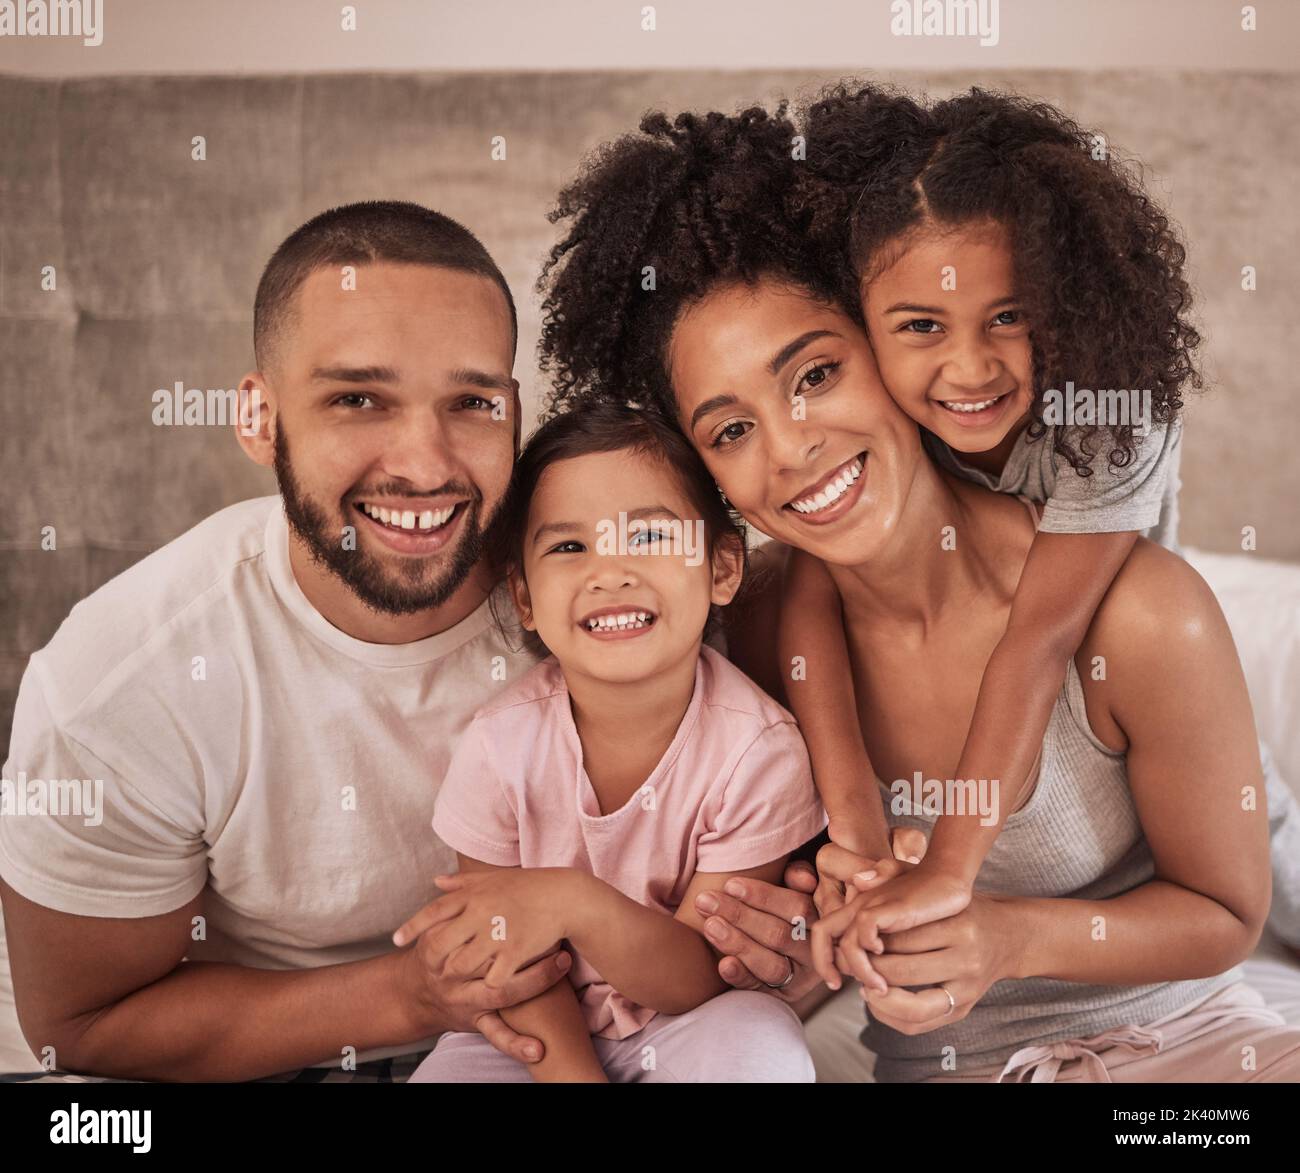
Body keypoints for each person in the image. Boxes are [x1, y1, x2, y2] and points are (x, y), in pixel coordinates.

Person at [534, 98, 1300, 1081]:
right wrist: (796, 939)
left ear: (888, 347)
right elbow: (781, 928)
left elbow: (1226, 914)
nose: (791, 446)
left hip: (1183, 1051)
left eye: (813, 375)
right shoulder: (748, 636)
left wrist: (1007, 938)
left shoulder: (1139, 608)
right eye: (730, 431)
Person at [0, 201, 569, 1081]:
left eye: (471, 401)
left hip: (540, 1024)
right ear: (260, 417)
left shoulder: (601, 588)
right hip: (256, 1040)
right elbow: (79, 1024)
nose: (424, 464)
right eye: (357, 398)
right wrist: (414, 994)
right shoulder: (119, 680)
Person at [404, 402, 824, 1082]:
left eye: (651, 538)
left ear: (721, 568)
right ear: (525, 596)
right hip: (536, 1028)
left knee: (762, 1049)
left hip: (689, 1018)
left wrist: (572, 901)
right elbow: (503, 953)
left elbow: (695, 972)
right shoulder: (500, 745)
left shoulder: (758, 750)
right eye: (570, 547)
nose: (610, 572)